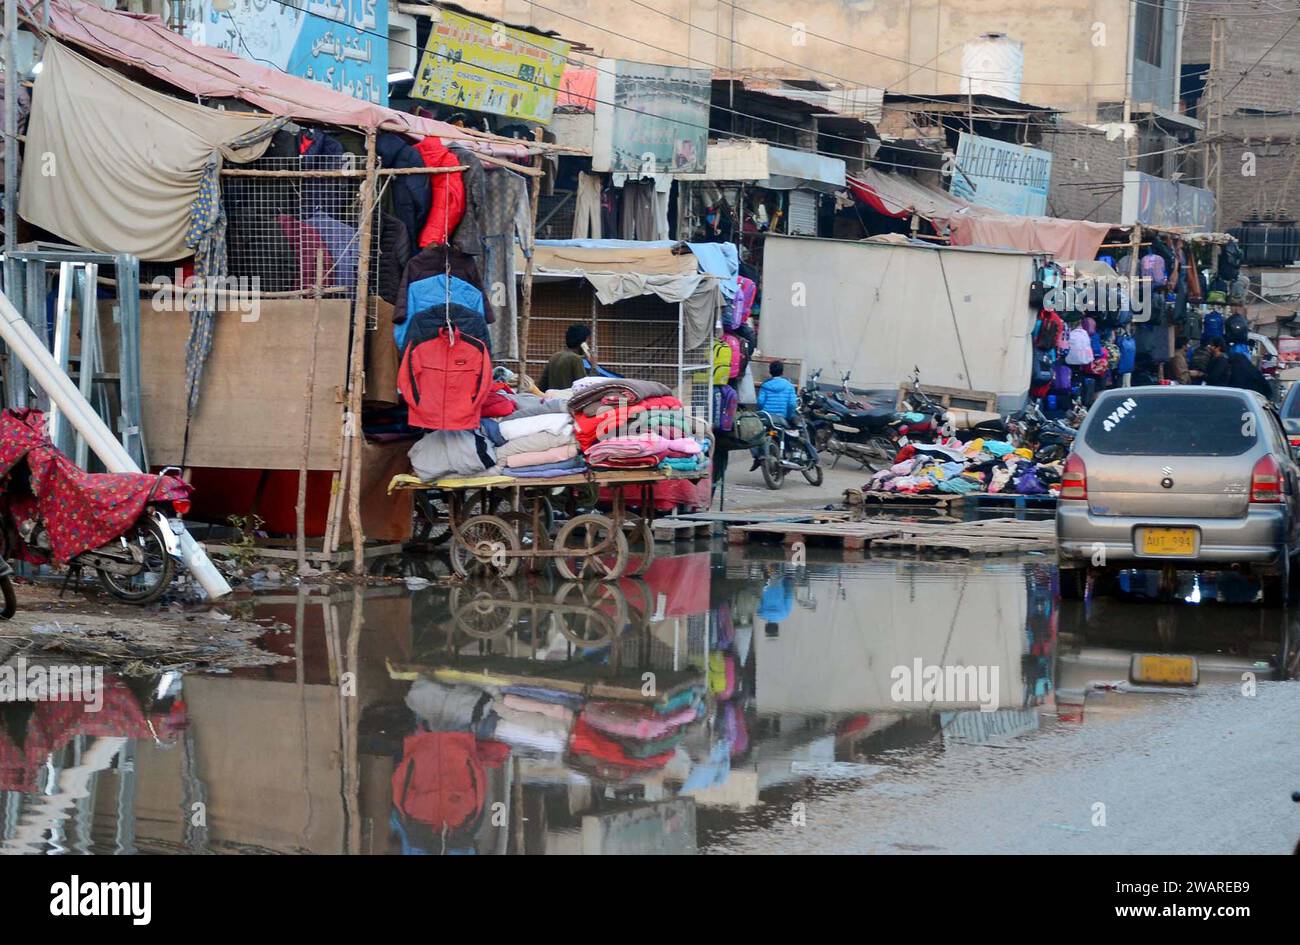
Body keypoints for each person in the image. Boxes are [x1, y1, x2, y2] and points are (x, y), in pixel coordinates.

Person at [749, 361, 815, 469]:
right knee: (799, 430)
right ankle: (797, 454)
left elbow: (760, 402)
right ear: (782, 372)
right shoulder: (788, 386)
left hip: (766, 418)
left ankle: (758, 456)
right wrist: (789, 416)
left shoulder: (765, 386)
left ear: (770, 371)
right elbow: (791, 404)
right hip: (781, 418)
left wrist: (761, 413)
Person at [539, 324, 592, 391]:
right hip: (569, 399)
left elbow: (542, 384)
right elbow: (583, 386)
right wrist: (593, 366)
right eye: (587, 341)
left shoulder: (554, 356)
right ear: (582, 343)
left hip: (553, 399)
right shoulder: (576, 359)